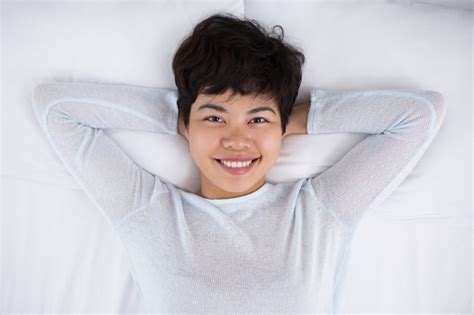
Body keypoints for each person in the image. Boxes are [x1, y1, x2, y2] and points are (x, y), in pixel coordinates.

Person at [32, 12, 446, 314]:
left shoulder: (318, 213)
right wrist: (182, 119)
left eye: (257, 119)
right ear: (187, 122)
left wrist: (289, 120)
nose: (236, 140)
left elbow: (418, 115)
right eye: (215, 117)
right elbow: (56, 109)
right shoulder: (150, 212)